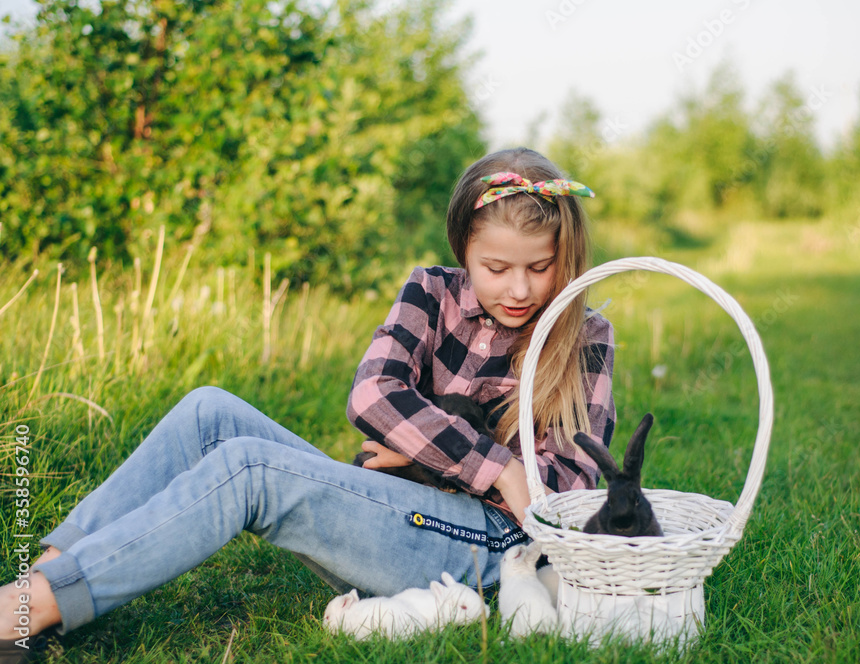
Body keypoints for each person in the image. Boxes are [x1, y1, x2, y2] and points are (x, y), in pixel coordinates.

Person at [0, 147, 616, 660]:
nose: (519, 288)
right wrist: (492, 465)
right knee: (208, 411)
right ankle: (40, 586)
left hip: (494, 548)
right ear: (463, 250)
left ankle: (35, 607)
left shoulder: (585, 336)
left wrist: (435, 454)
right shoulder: (431, 291)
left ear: (565, 257)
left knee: (250, 469)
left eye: (540, 267)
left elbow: (568, 492)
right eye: (496, 267)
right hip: (406, 512)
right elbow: (373, 394)